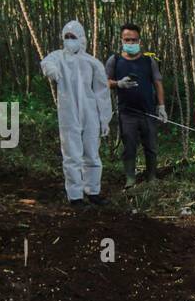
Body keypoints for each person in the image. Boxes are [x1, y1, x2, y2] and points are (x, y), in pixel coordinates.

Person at [41, 20, 112, 208]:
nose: (70, 40)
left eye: (73, 37)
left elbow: (102, 92)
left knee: (92, 154)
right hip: (68, 113)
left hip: (90, 113)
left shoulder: (93, 62)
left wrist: (105, 119)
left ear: (82, 39)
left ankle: (93, 192)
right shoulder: (58, 57)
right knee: (72, 154)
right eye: (67, 37)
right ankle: (75, 196)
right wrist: (52, 71)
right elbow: (46, 63)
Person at [105, 23, 166, 188]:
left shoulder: (148, 61)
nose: (130, 43)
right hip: (127, 112)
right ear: (121, 40)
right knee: (129, 147)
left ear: (140, 41)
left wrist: (161, 107)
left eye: (134, 40)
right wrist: (119, 83)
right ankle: (130, 179)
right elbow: (104, 81)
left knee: (151, 146)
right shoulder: (115, 60)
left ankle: (151, 177)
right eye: (127, 40)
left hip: (148, 112)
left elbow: (158, 82)